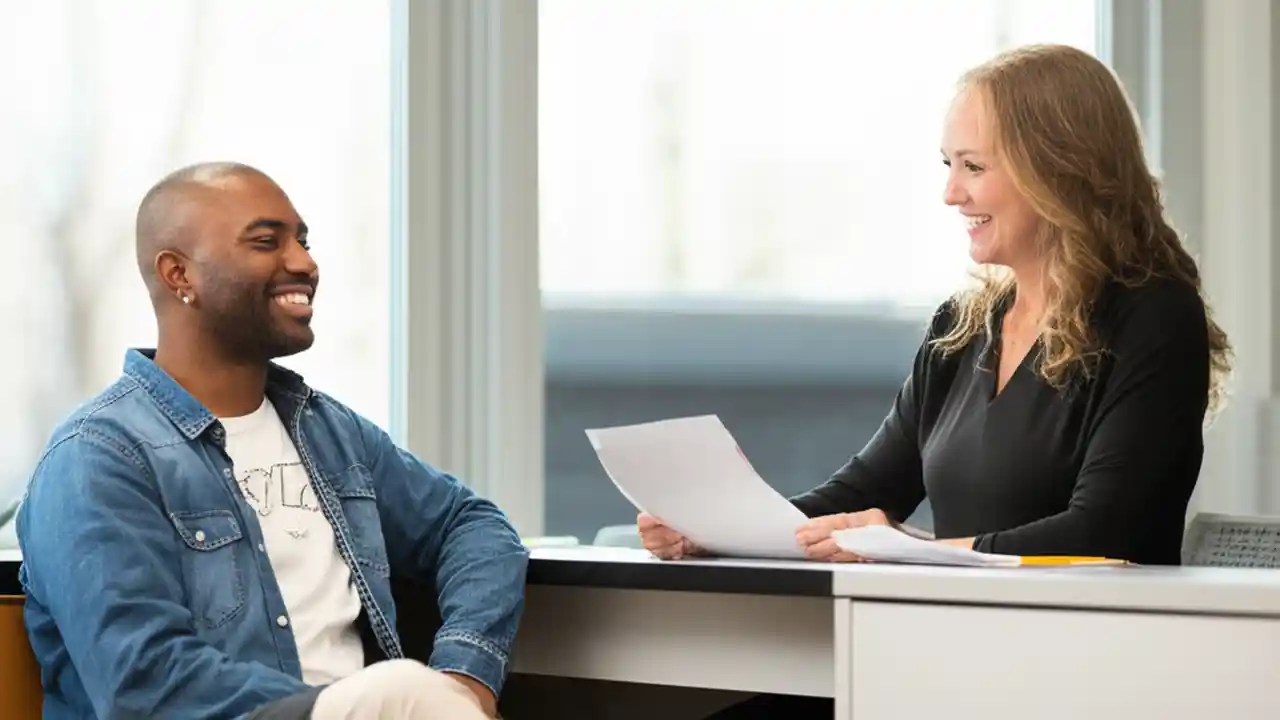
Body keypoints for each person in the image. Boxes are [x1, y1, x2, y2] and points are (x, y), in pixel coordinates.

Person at [642, 43, 1233, 715]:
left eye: (974, 167)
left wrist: (903, 551)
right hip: (947, 656)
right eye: (950, 166)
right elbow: (865, 492)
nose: (951, 192)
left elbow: (1102, 534)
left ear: (1059, 168)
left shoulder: (1152, 316)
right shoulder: (963, 325)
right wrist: (719, 530)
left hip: (1077, 673)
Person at [17, 162, 529, 719]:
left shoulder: (329, 432)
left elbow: (472, 526)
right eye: (266, 242)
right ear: (178, 274)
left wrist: (464, 674)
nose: (304, 263)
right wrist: (355, 707)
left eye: (303, 241)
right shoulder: (96, 458)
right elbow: (146, 682)